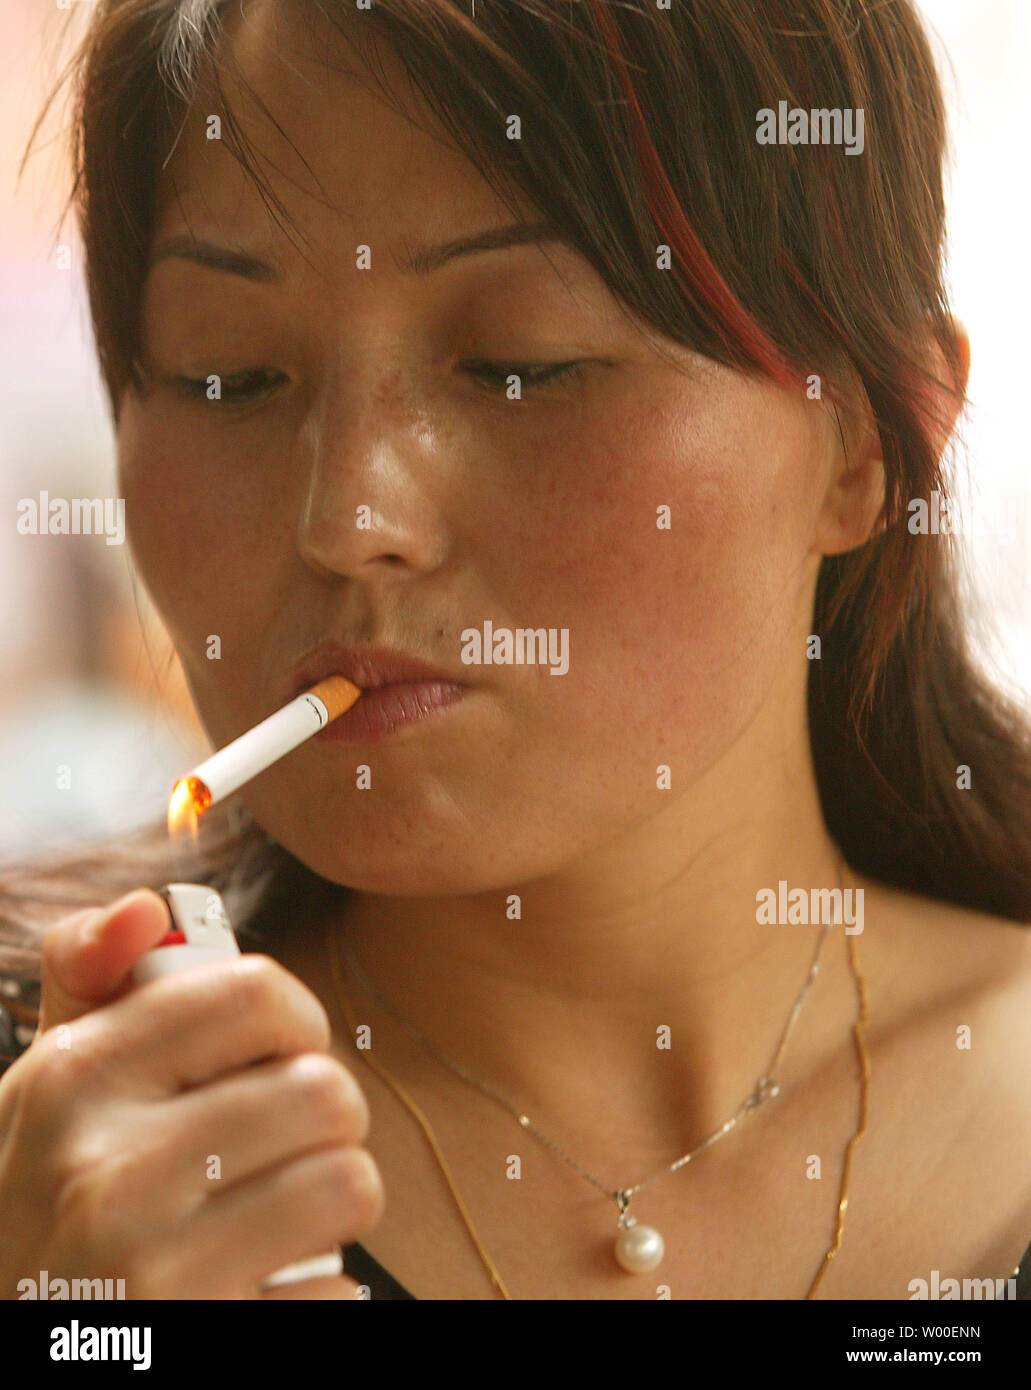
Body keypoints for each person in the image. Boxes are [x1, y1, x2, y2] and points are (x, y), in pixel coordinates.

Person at [2, 0, 1029, 1301]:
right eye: (229, 377)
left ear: (871, 447)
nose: (351, 518)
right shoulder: (58, 1143)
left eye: (519, 364)